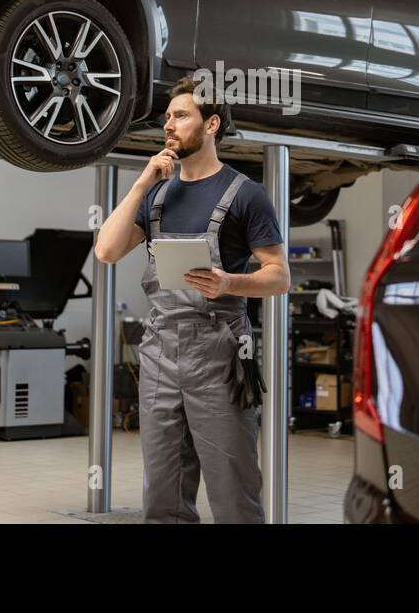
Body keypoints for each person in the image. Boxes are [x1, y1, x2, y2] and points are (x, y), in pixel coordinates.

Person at [94, 75, 289, 523]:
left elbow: (279, 276)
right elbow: (106, 251)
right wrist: (142, 181)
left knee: (233, 491)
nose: (169, 125)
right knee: (162, 495)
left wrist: (229, 284)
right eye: (167, 117)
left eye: (181, 116)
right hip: (160, 350)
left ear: (212, 124)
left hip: (219, 352)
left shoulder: (246, 195)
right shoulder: (159, 194)